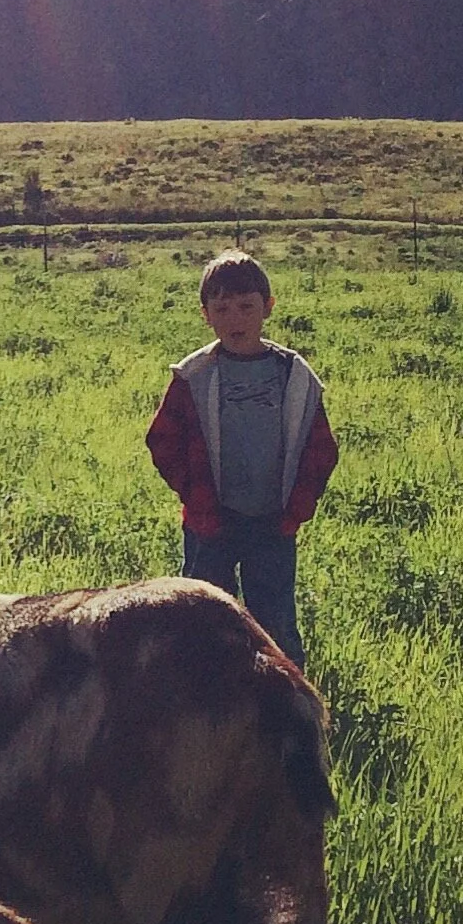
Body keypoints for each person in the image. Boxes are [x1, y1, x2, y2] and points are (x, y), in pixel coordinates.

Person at [145, 250, 336, 669]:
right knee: (201, 619)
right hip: (210, 523)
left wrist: (297, 509)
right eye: (222, 308)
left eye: (247, 306)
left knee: (276, 623)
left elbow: (321, 449)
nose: (236, 319)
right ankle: (204, 701)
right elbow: (163, 442)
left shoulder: (295, 376)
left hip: (274, 521)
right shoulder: (193, 377)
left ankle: (288, 710)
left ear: (268, 307)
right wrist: (196, 496)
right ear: (205, 315)